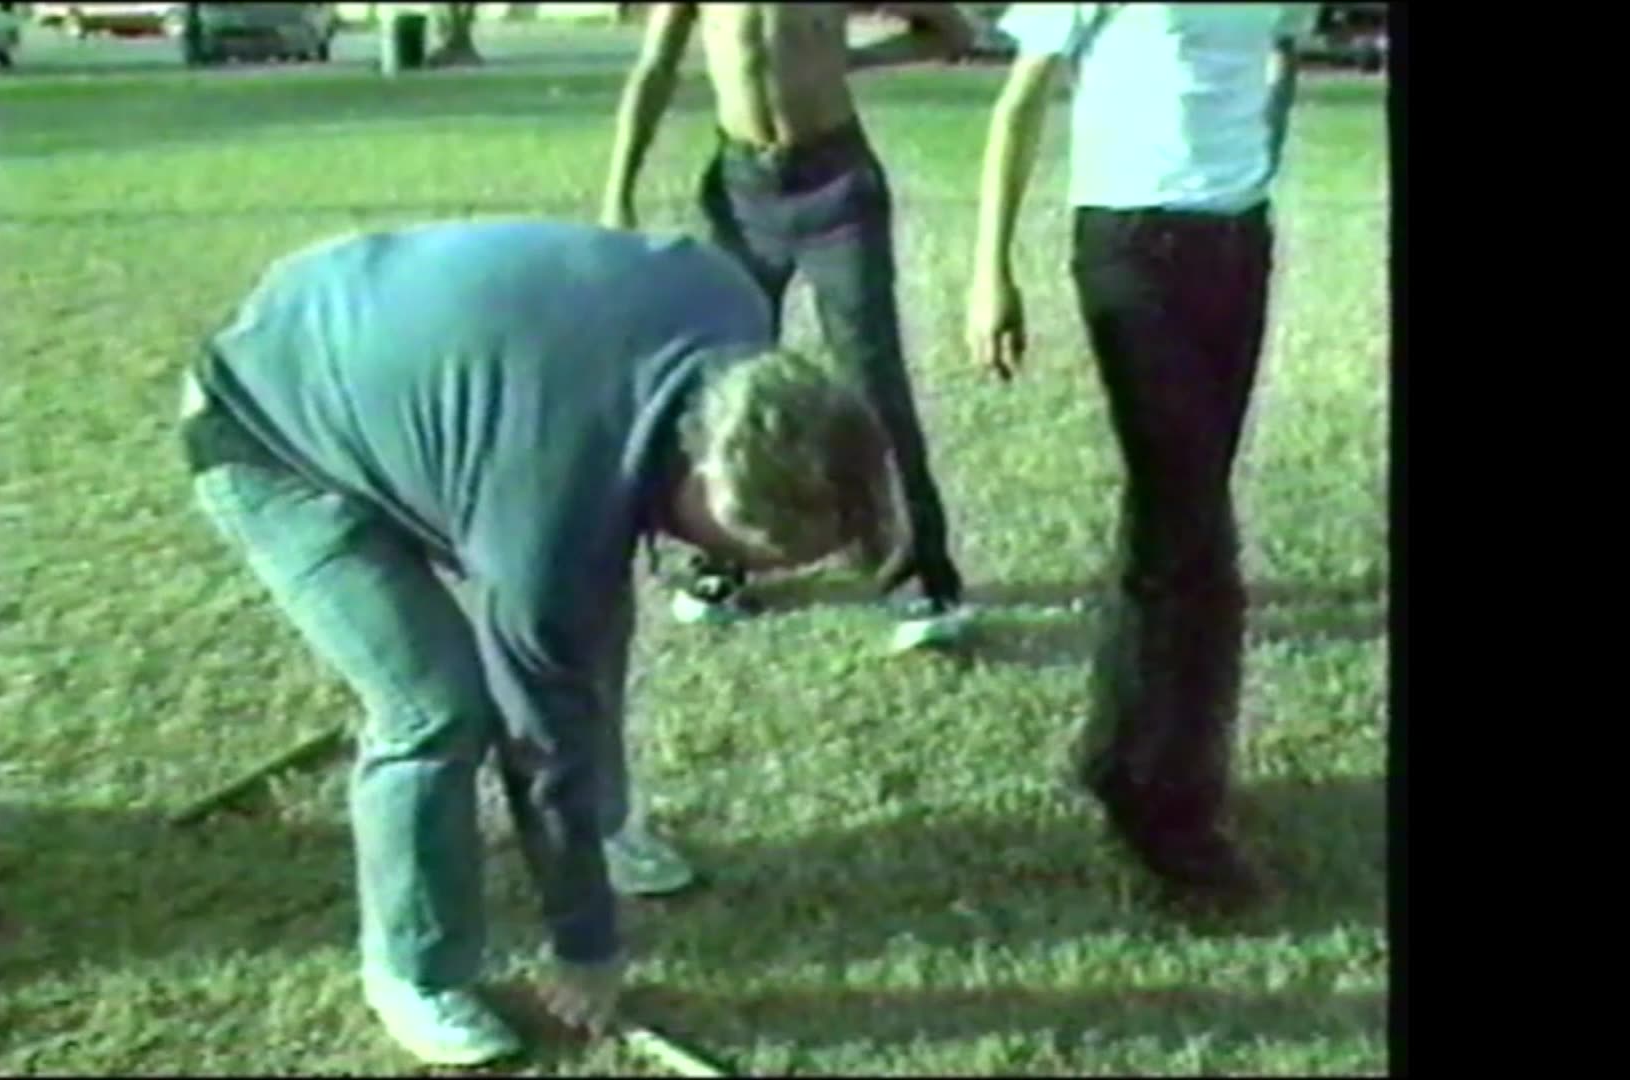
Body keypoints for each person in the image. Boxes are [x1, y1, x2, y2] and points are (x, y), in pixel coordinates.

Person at [178, 218, 907, 1065]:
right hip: (264, 428)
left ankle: (605, 827)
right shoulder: (551, 517)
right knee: (436, 707)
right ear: (708, 480)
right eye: (759, 555)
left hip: (382, 355)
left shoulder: (730, 304)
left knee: (591, 616)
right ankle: (414, 970)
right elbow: (540, 743)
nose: (749, 572)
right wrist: (585, 944)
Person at [966, 3, 1320, 915]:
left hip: (1238, 242)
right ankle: (1172, 818)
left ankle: (1120, 758)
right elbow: (1020, 102)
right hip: (1132, 246)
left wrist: (1250, 170)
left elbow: (1279, 59)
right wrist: (988, 271)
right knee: (1197, 539)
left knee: (1171, 520)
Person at [600, 2, 975, 626]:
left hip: (837, 187)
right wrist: (618, 194)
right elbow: (654, 67)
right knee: (728, 386)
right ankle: (722, 561)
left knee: (872, 376)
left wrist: (851, 58)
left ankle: (918, 582)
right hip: (744, 189)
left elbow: (949, 30)